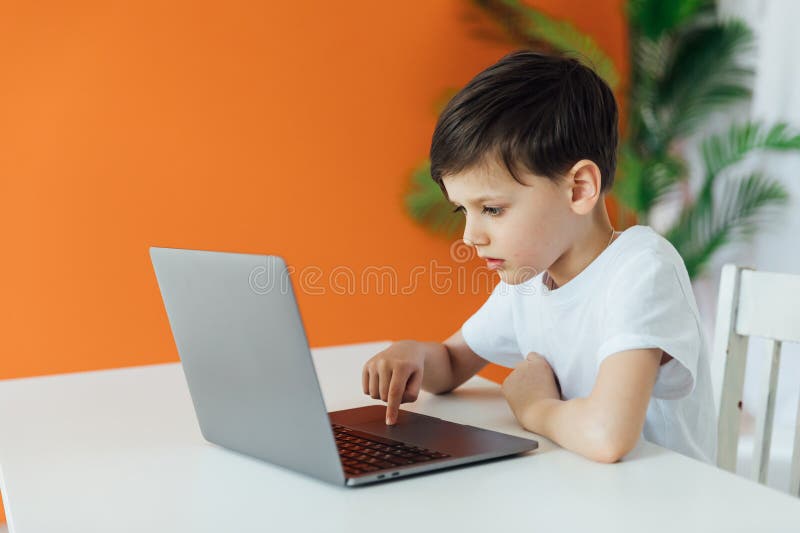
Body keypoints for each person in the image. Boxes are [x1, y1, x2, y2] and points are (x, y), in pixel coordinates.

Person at [361, 50, 716, 464]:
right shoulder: (531, 279)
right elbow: (453, 362)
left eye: (491, 209)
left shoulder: (641, 268)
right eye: (464, 210)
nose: (470, 236)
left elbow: (608, 436)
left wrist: (534, 407)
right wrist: (413, 356)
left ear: (579, 188)